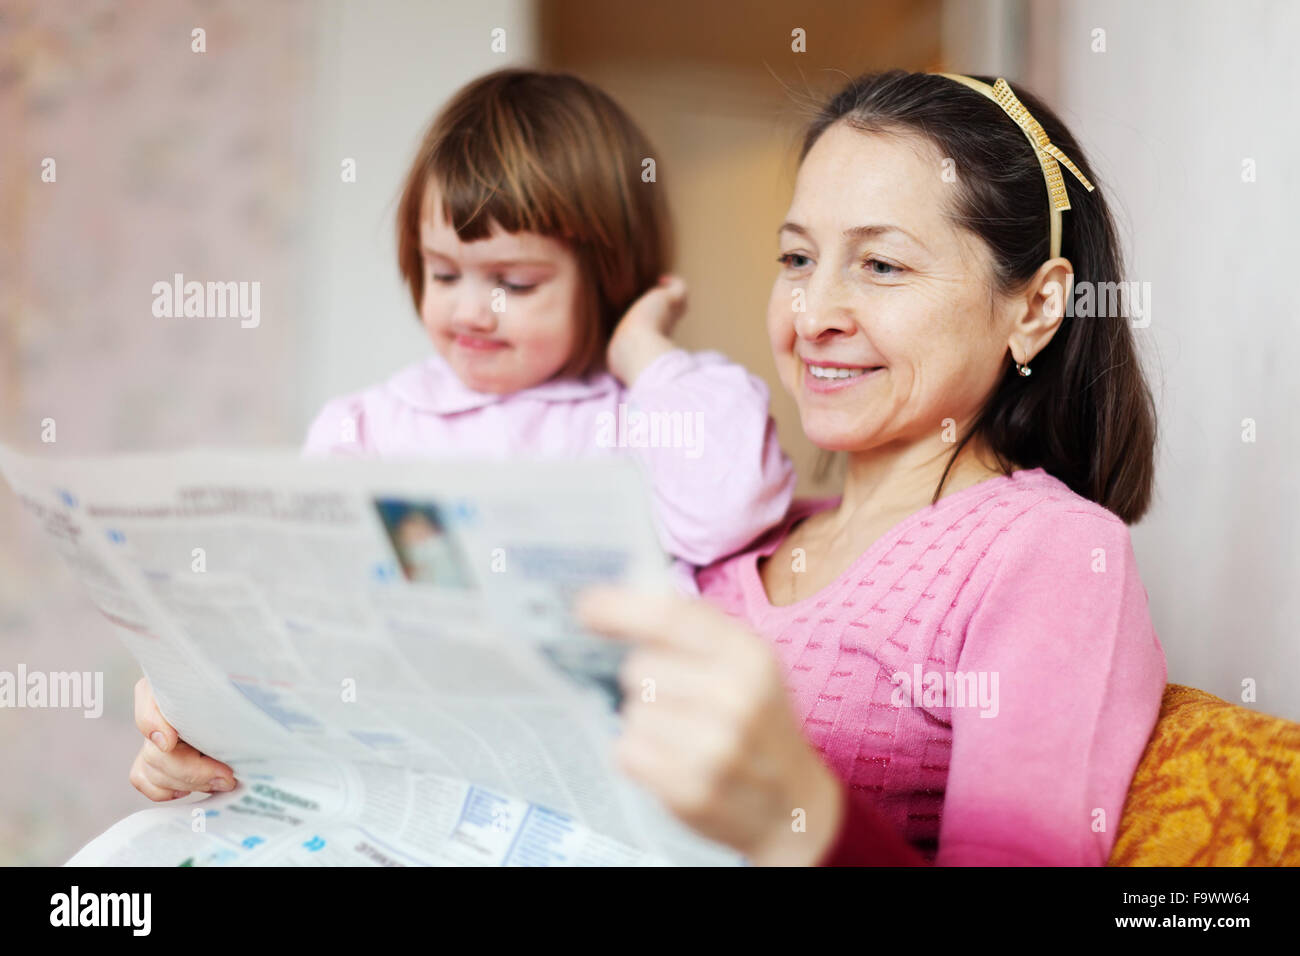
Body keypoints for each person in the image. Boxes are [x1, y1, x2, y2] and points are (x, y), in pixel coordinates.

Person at [127, 68, 795, 803]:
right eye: (444, 274)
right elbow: (290, 617)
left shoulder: (644, 416)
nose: (471, 311)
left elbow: (728, 505)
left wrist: (642, 347)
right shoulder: (369, 431)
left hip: (600, 791)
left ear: (608, 278)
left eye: (513, 282)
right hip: (413, 785)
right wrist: (188, 709)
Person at [575, 70, 1167, 866]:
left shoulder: (1050, 554)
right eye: (796, 258)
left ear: (1035, 308)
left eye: (881, 266)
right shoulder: (740, 531)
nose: (812, 315)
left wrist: (802, 815)